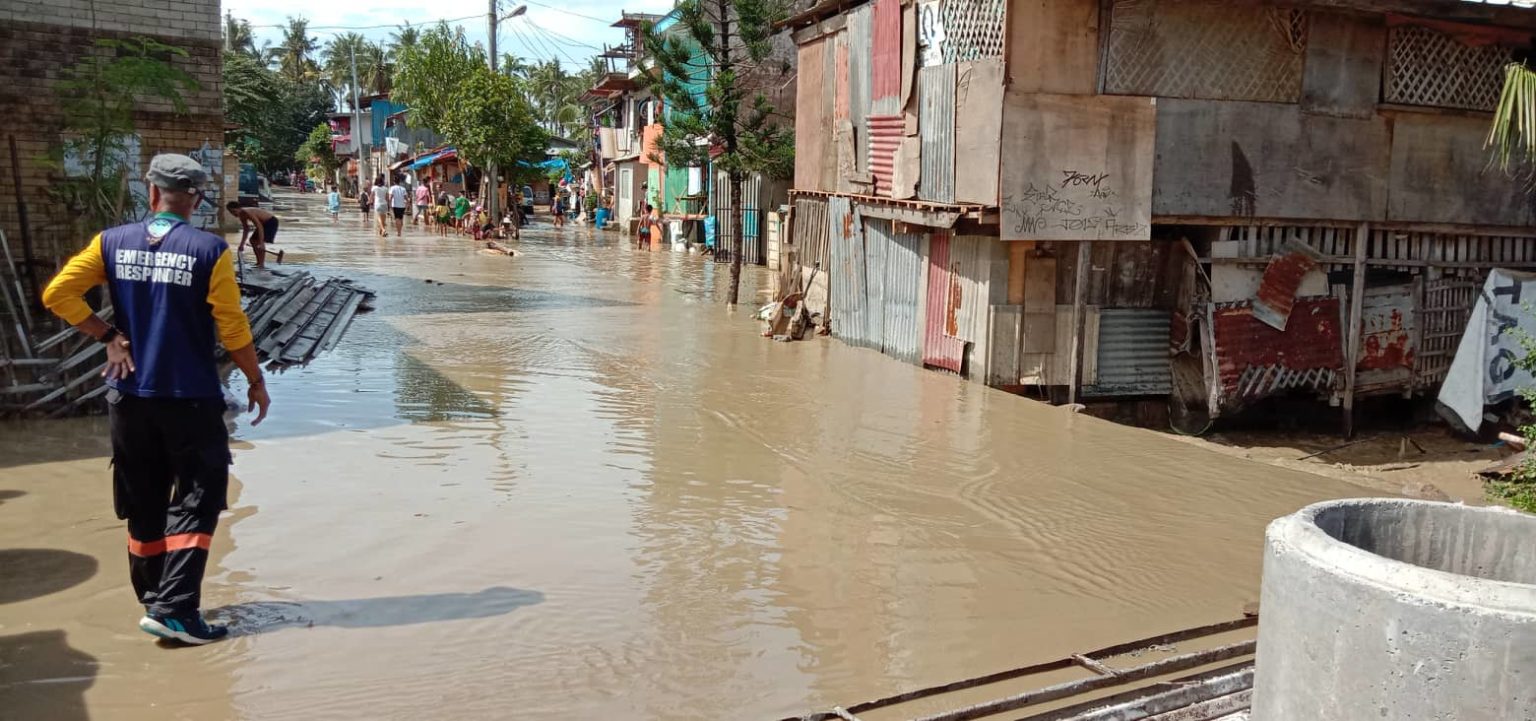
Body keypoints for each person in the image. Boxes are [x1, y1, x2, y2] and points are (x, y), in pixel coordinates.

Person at [41, 154, 271, 646]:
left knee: (143, 499)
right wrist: (255, 379)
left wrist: (108, 335)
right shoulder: (209, 252)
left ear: (151, 193)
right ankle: (176, 609)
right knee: (198, 497)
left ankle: (153, 601)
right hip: (188, 397)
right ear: (196, 200)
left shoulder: (110, 242)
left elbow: (59, 295)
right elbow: (232, 327)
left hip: (127, 397)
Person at [223, 202, 283, 268]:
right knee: (252, 241)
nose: (233, 214)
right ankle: (259, 262)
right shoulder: (242, 216)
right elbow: (246, 230)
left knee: (258, 242)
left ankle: (261, 264)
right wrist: (241, 244)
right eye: (231, 212)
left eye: (234, 211)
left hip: (271, 222)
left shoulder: (247, 212)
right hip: (263, 224)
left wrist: (261, 243)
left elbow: (259, 227)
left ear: (239, 208)